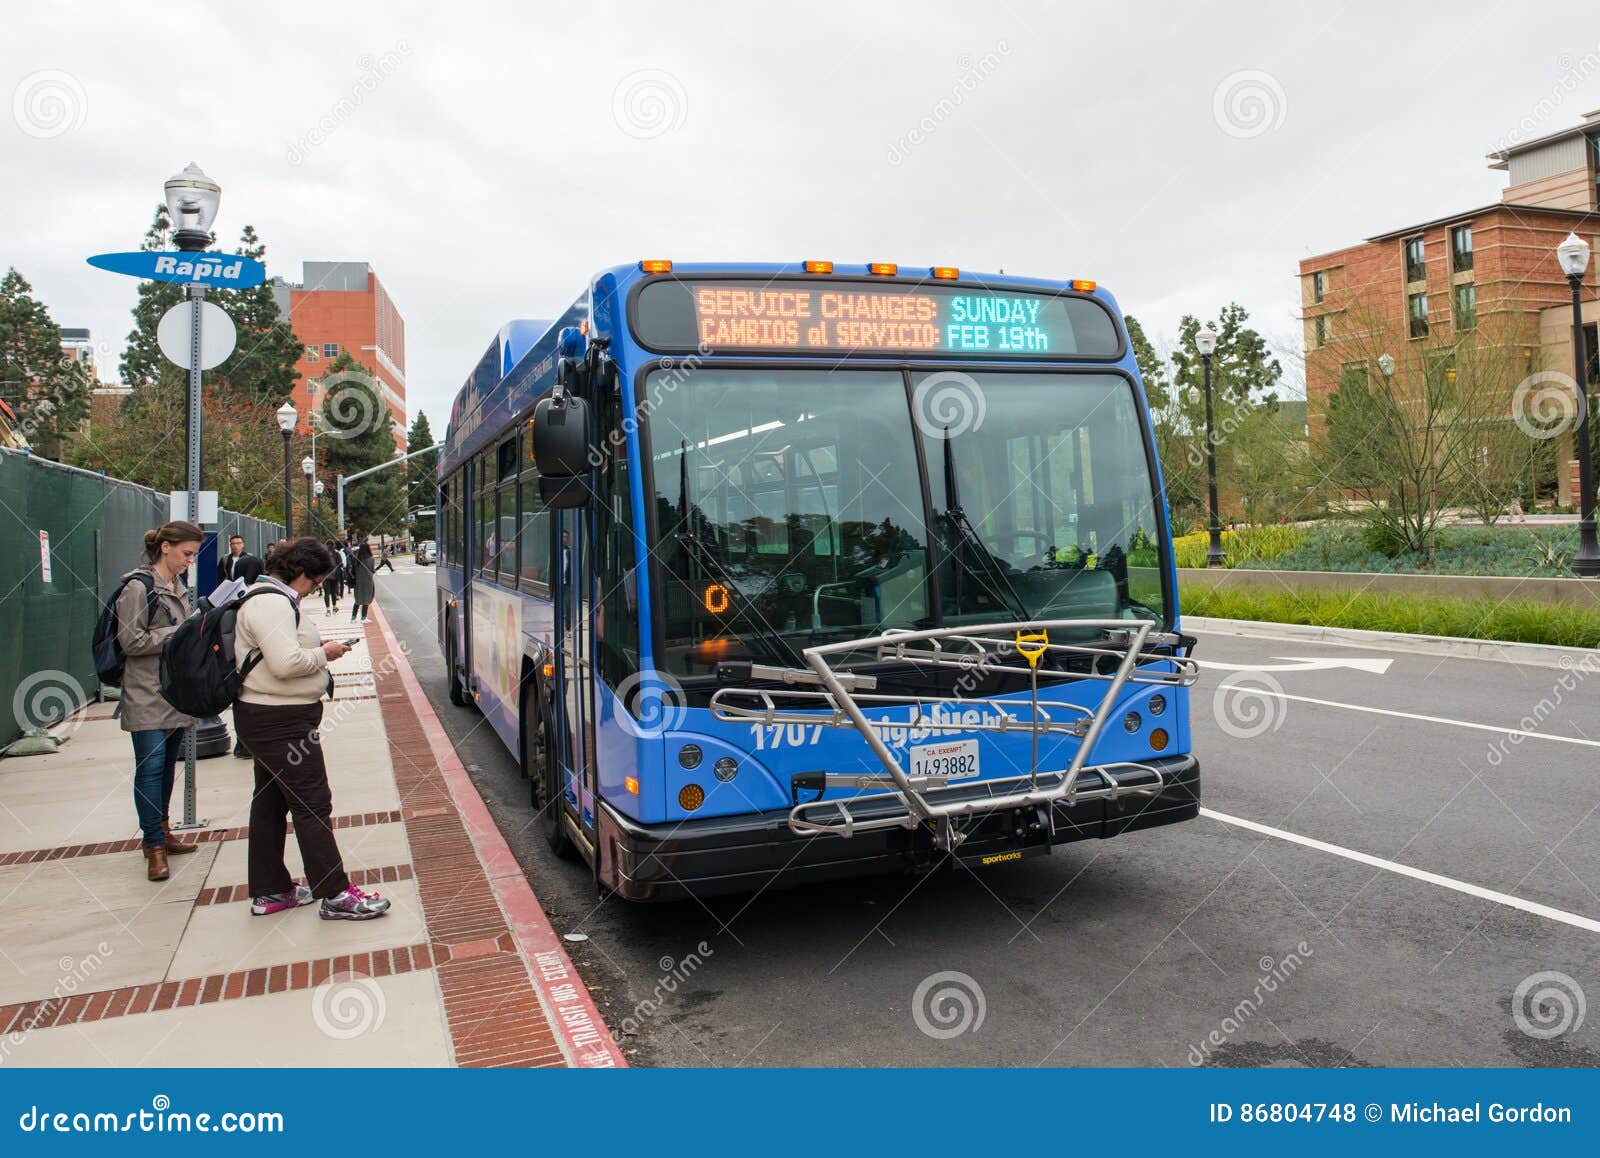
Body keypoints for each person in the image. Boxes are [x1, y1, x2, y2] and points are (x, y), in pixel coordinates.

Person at [233, 537, 391, 921]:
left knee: (270, 803)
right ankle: (335, 894)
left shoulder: (267, 597)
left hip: (266, 715)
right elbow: (285, 663)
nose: (316, 588)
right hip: (281, 720)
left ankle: (271, 889)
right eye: (316, 581)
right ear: (301, 573)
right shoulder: (272, 603)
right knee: (312, 803)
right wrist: (326, 653)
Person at [117, 521, 205, 882]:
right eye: (186, 553)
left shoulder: (177, 585)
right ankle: (153, 844)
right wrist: (179, 632)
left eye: (194, 555)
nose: (190, 561)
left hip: (172, 691)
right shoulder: (138, 588)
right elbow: (132, 641)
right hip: (146, 692)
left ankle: (164, 830)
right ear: (165, 547)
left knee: (168, 767)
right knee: (150, 769)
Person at [349, 539, 376, 623]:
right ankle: (363, 617)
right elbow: (372, 570)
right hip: (368, 581)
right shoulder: (371, 559)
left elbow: (352, 571)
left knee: (357, 600)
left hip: (358, 582)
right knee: (366, 599)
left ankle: (353, 618)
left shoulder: (356, 559)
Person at [321, 538, 345, 612]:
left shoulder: (323, 554)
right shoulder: (336, 554)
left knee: (327, 593)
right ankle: (334, 607)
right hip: (334, 576)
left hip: (325, 577)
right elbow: (341, 564)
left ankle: (328, 608)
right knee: (333, 592)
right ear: (333, 546)